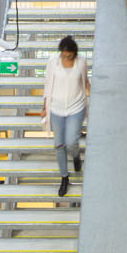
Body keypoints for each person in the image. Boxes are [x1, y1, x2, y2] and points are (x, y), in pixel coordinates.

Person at [42, 34, 89, 198]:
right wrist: (44, 107)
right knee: (59, 145)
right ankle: (64, 177)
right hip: (56, 108)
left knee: (71, 142)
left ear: (74, 54)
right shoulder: (53, 62)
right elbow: (48, 84)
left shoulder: (81, 62)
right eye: (63, 54)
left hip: (76, 107)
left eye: (69, 55)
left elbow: (85, 82)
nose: (65, 57)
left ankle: (75, 155)